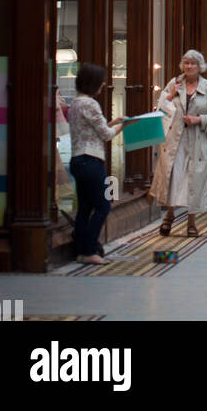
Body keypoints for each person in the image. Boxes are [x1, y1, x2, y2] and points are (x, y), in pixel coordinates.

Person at [151, 49, 207, 237]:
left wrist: (199, 120)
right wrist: (170, 94)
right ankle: (169, 215)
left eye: (192, 63)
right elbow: (160, 109)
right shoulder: (173, 84)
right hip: (175, 141)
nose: (189, 66)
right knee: (174, 178)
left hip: (197, 142)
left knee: (193, 181)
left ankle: (191, 222)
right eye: (186, 62)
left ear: (200, 67)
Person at [67, 63, 134, 265]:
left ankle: (81, 251)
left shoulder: (76, 103)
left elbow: (93, 130)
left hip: (78, 159)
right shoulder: (91, 104)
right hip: (91, 160)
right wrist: (124, 125)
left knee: (85, 208)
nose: (103, 85)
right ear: (94, 83)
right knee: (103, 206)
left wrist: (114, 122)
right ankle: (89, 251)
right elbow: (105, 135)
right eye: (101, 82)